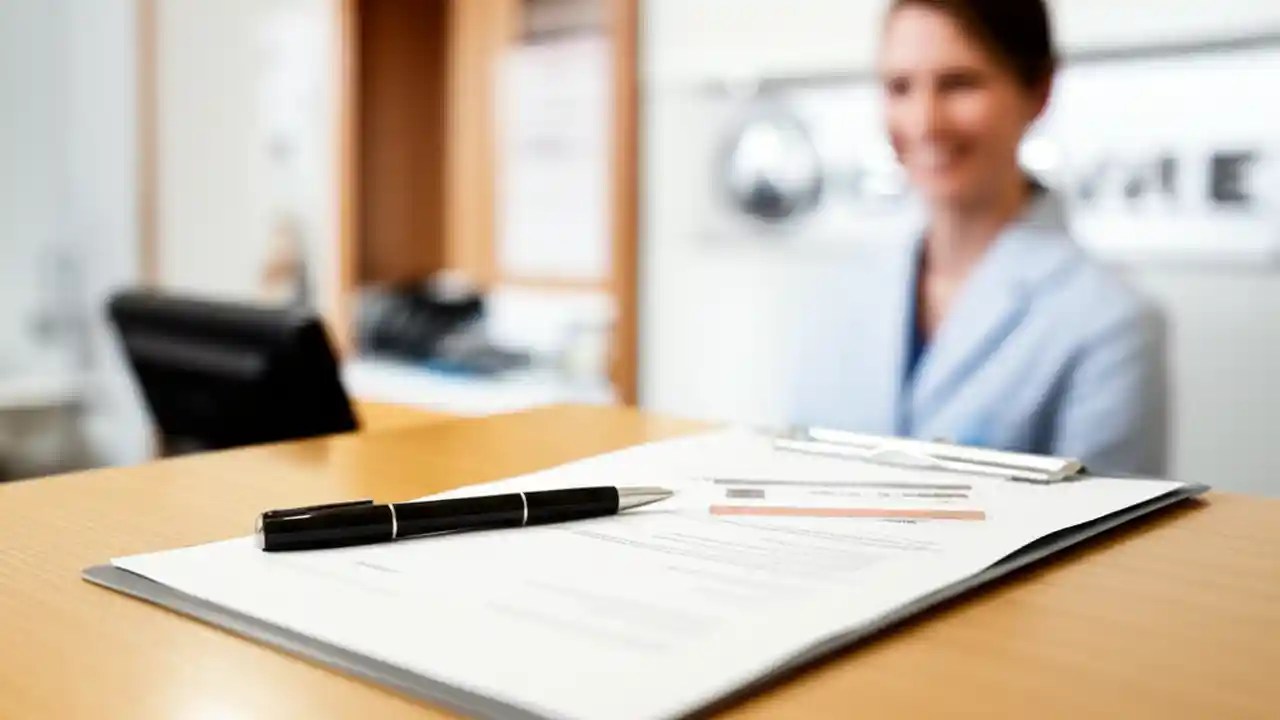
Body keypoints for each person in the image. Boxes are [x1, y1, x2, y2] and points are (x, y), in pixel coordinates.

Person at [788, 0, 1167, 475]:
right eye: (900, 87)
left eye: (959, 83)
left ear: (1039, 90)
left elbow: (1111, 539)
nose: (925, 122)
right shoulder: (840, 295)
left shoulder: (1110, 322)